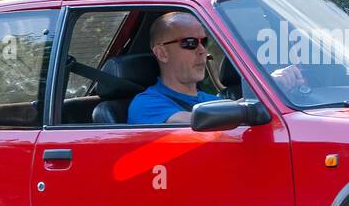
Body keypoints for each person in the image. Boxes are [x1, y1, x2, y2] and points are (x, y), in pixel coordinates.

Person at [128, 11, 308, 124]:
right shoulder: (145, 104)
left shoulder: (210, 100)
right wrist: (266, 87)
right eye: (190, 43)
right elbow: (200, 120)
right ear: (162, 53)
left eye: (203, 42)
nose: (201, 50)